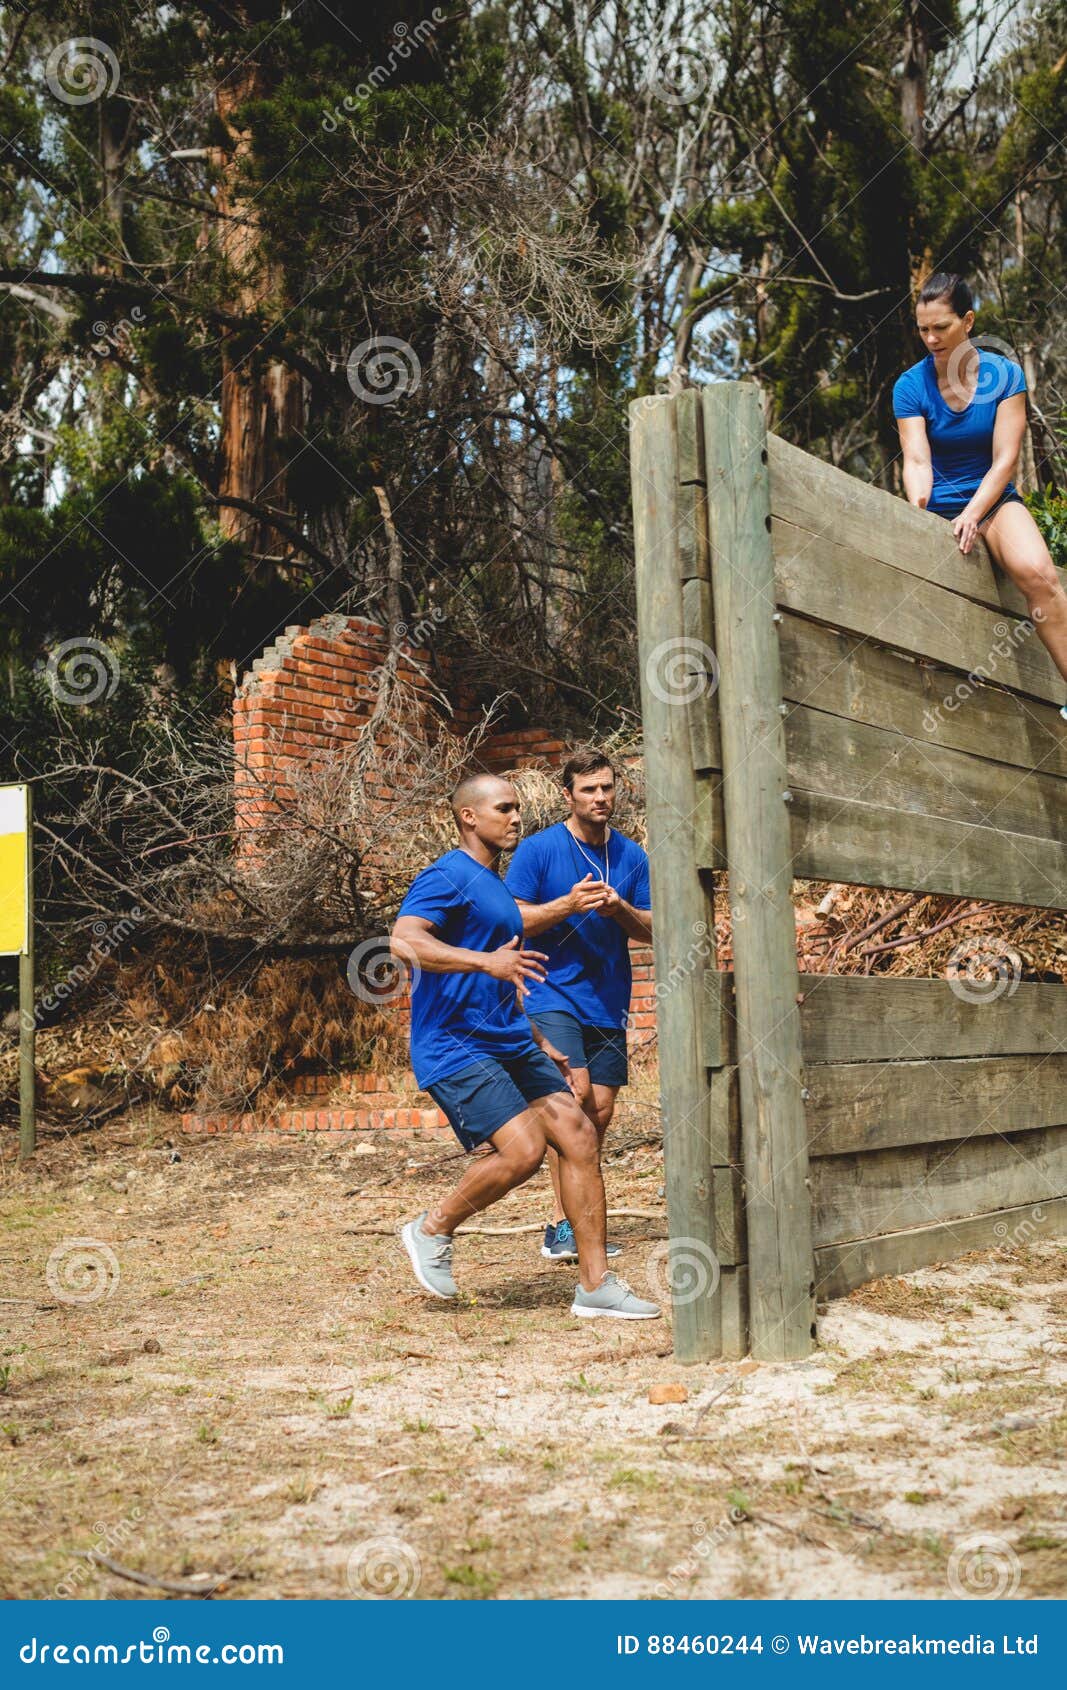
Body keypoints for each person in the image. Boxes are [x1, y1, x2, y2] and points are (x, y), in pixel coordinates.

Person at [390, 771, 660, 1322]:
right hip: (456, 1044)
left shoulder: (495, 882)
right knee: (523, 1151)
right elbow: (403, 941)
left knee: (580, 1133)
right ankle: (431, 1228)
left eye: (518, 810)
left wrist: (539, 1039)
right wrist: (485, 960)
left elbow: (506, 973)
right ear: (470, 817)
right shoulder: (449, 875)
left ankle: (595, 1286)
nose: (517, 818)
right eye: (505, 809)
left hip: (512, 1038)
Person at [893, 271, 1067, 719]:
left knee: (1040, 575)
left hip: (992, 503)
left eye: (941, 327)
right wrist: (919, 515)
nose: (930, 338)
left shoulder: (1004, 375)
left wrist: (973, 513)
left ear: (968, 321)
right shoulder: (909, 387)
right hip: (938, 507)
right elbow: (916, 460)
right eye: (923, 329)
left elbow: (1006, 458)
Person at [504, 752, 652, 1263]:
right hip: (549, 994)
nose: (600, 798)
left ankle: (572, 1222)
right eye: (589, 790)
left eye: (607, 788)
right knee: (574, 1102)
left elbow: (655, 928)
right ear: (568, 796)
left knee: (598, 1114)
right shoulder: (538, 851)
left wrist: (620, 908)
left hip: (607, 1000)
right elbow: (511, 920)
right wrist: (568, 903)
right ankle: (565, 1229)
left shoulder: (632, 857)